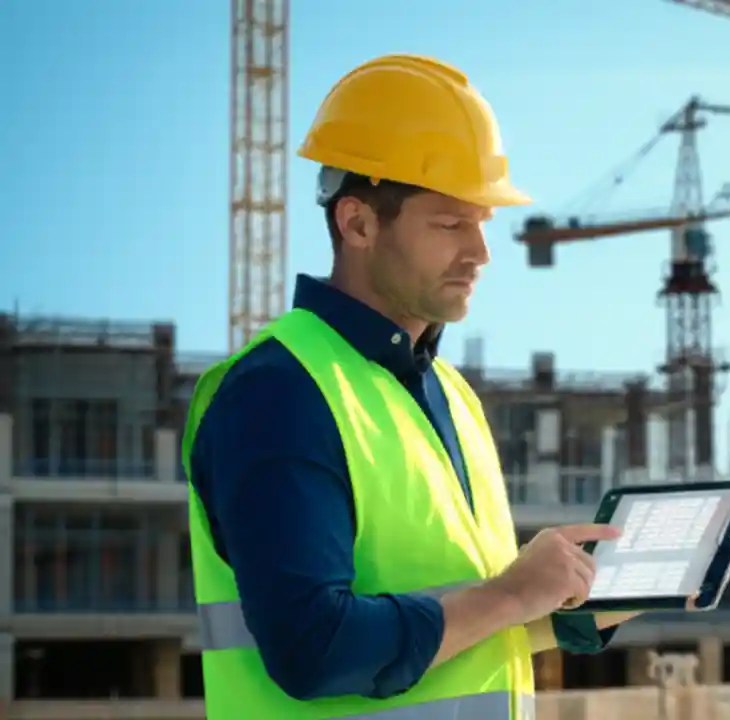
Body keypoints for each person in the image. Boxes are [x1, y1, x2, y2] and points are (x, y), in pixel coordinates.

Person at [183, 53, 635, 719]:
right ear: (358, 223)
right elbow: (315, 648)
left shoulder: (450, 393)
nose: (481, 252)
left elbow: (459, 623)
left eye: (483, 221)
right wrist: (510, 595)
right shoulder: (277, 393)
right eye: (451, 223)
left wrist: (572, 605)